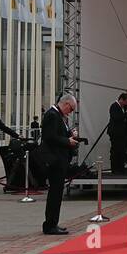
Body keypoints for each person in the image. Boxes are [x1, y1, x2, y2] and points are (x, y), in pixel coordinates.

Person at [39, 94, 79, 235]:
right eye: (71, 108)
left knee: (57, 194)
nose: (71, 112)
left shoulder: (59, 116)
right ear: (66, 104)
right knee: (54, 194)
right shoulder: (52, 115)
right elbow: (49, 137)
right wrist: (67, 141)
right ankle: (50, 224)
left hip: (60, 159)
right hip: (54, 160)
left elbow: (58, 134)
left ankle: (53, 222)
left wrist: (70, 135)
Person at [107, 91, 127, 174]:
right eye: (125, 102)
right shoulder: (114, 106)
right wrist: (126, 113)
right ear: (121, 99)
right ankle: (115, 169)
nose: (126, 104)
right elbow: (116, 118)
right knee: (115, 151)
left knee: (121, 151)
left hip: (121, 134)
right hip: (115, 133)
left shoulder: (121, 107)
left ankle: (120, 169)